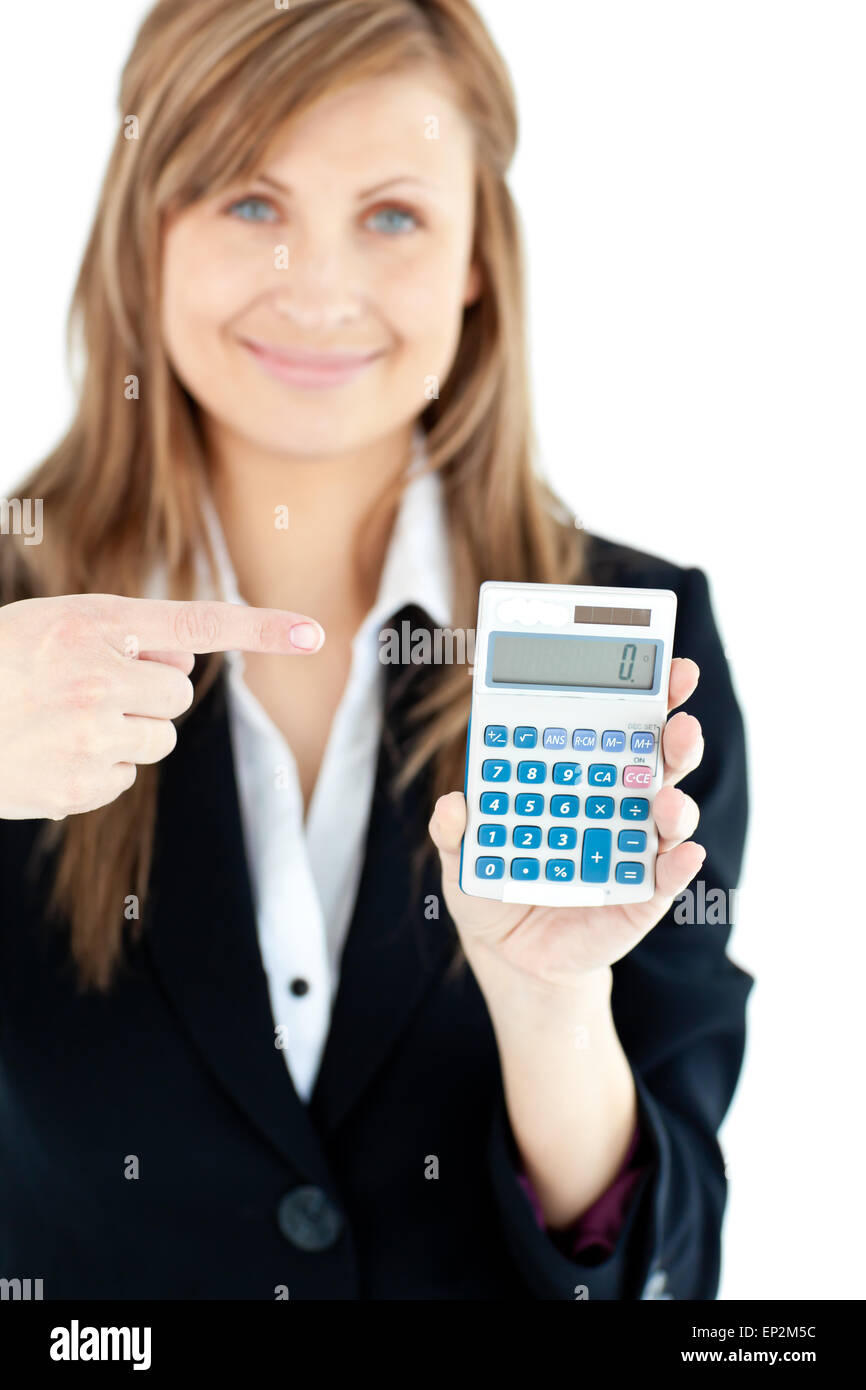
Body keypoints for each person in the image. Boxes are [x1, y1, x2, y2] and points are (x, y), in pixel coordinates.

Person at [0, 0, 751, 1300]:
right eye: (248, 200)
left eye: (391, 215)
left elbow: (660, 1279)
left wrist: (549, 1009)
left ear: (474, 254)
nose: (317, 287)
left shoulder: (635, 631)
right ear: (147, 227)